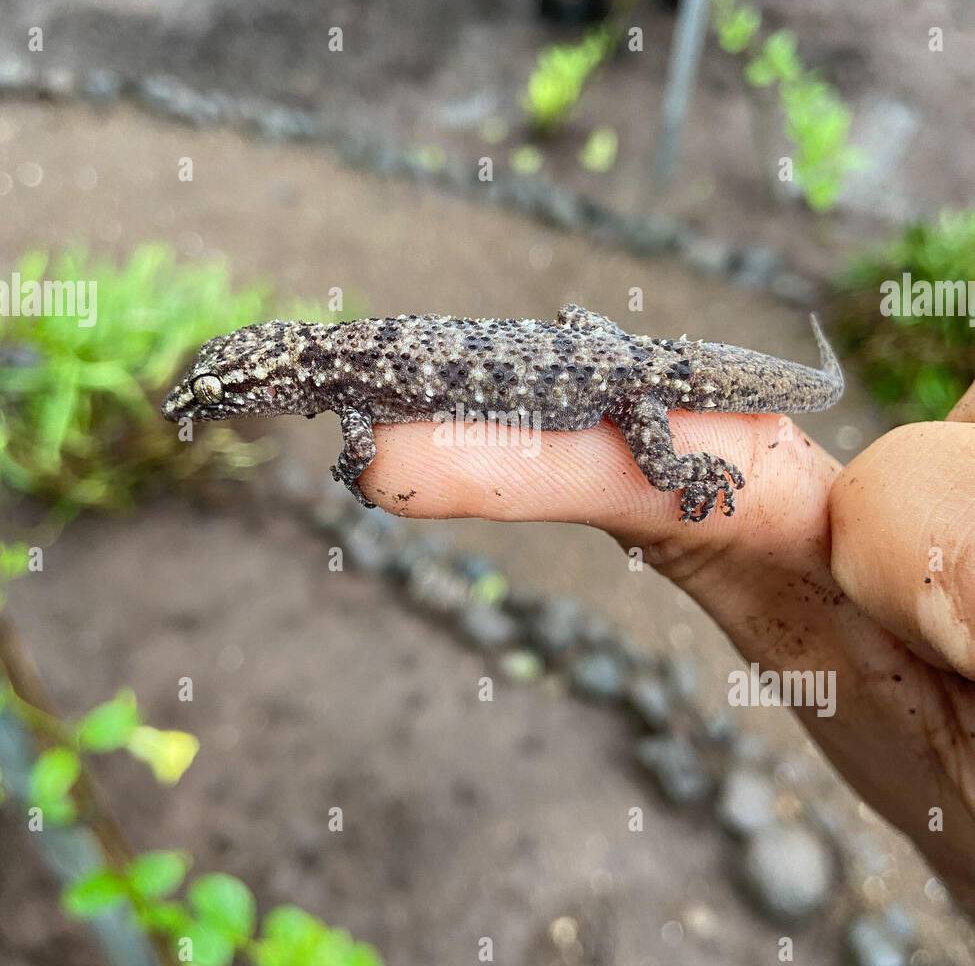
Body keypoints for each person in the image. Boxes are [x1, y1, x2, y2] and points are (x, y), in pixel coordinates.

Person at [355, 383, 975, 916]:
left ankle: (688, 471)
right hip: (613, 367)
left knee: (662, 472)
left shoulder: (636, 397)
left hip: (623, 385)